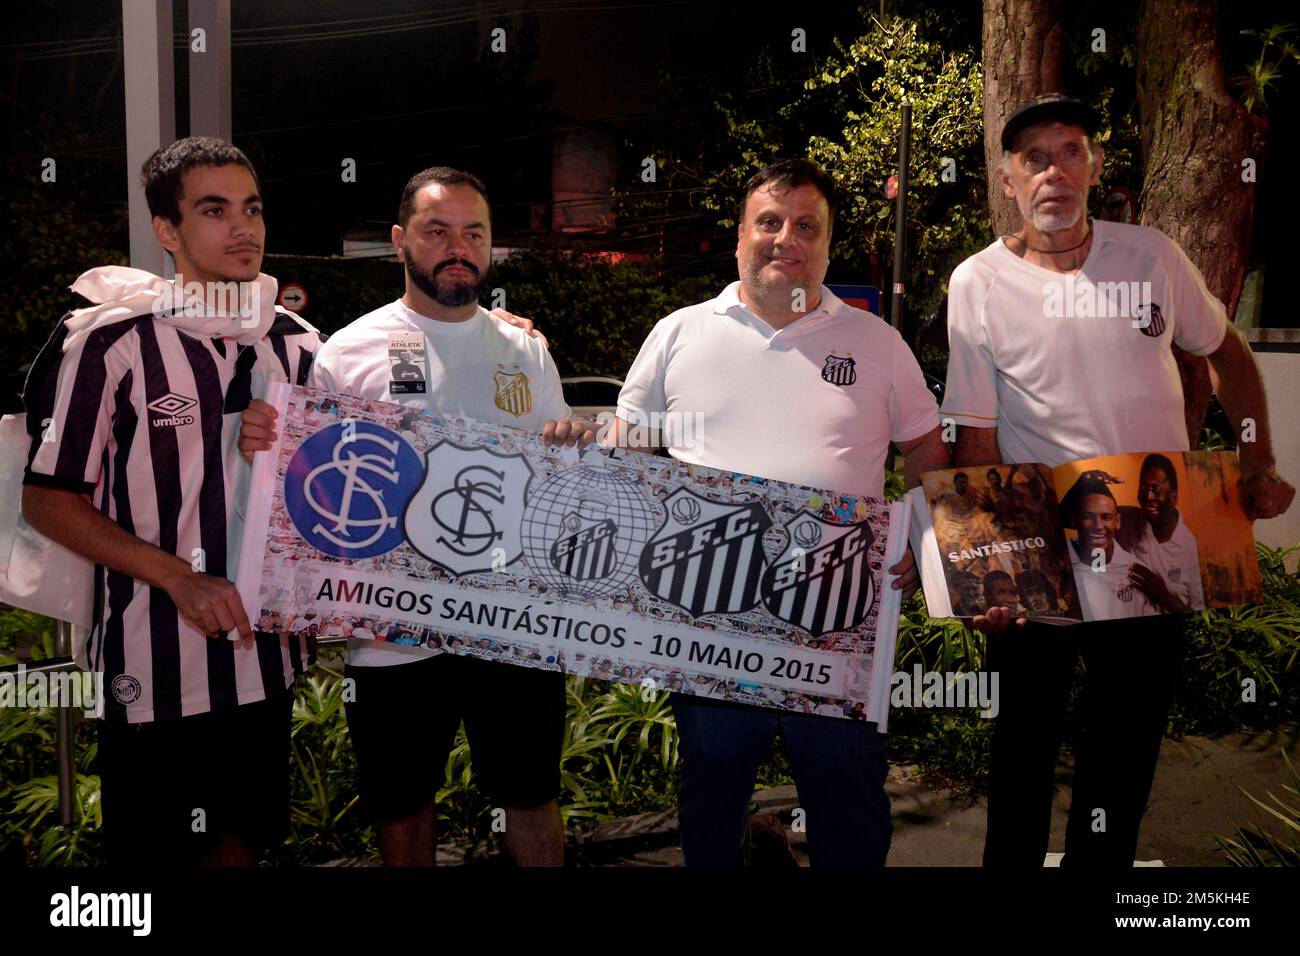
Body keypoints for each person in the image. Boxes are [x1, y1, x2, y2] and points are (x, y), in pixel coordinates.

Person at [942, 94, 1295, 866]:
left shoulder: (1153, 257)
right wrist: (981, 573)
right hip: (1037, 550)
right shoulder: (976, 283)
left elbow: (1227, 354)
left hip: (1151, 549)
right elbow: (975, 434)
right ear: (1007, 179)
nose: (1053, 172)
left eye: (1070, 151)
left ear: (1094, 167)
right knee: (1021, 750)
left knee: (1125, 751)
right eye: (1034, 158)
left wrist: (1256, 457)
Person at [238, 166, 593, 868]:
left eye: (473, 233)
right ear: (401, 241)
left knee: (529, 793)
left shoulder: (526, 349)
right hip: (392, 631)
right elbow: (311, 489)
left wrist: (573, 447)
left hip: (512, 623)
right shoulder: (345, 350)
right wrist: (266, 446)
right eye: (437, 232)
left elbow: (559, 469)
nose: (456, 247)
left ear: (491, 248)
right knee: (401, 806)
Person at [609, 158, 950, 867]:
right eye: (769, 221)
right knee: (711, 794)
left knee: (849, 803)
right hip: (709, 618)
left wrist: (923, 536)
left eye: (806, 225)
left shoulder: (876, 345)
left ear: (826, 245)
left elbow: (924, 444)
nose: (784, 237)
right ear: (739, 236)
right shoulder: (679, 334)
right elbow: (628, 445)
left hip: (839, 617)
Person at [20, 137, 320, 866]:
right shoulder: (109, 343)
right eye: (213, 211)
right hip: (150, 670)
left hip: (266, 658)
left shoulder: (300, 344)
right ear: (167, 231)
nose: (242, 228)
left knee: (241, 847)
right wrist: (179, 578)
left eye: (251, 208)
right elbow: (48, 500)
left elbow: (347, 482)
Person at [1059, 475, 1159, 620]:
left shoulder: (1137, 573)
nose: (1098, 526)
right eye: (1088, 517)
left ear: (1117, 522)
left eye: (1106, 517)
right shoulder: (1057, 561)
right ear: (1074, 520)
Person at [1118, 454, 1205, 612]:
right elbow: (1073, 519)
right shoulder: (1125, 519)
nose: (1147, 496)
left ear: (1174, 497)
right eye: (1143, 488)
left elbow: (1200, 618)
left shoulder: (1192, 549)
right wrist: (1088, 483)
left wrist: (1163, 596)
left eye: (1155, 489)